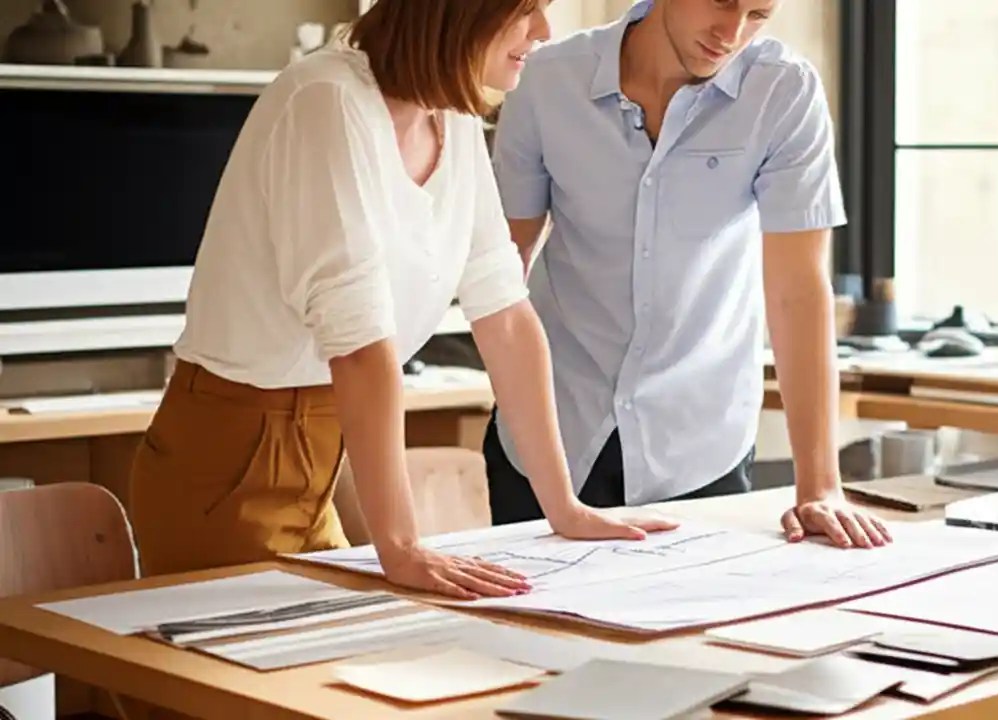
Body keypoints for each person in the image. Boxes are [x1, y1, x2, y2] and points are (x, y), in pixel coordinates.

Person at [129, 0, 676, 601]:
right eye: (526, 11)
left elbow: (506, 315)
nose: (543, 34)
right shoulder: (326, 102)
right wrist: (403, 546)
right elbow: (359, 347)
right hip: (229, 463)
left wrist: (564, 507)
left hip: (319, 449)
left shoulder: (454, 117)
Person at [486, 0, 892, 549]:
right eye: (722, 2)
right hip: (549, 435)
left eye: (757, 15)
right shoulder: (546, 80)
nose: (731, 33)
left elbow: (798, 292)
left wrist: (820, 485)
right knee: (517, 632)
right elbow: (503, 269)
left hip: (698, 449)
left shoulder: (783, 92)